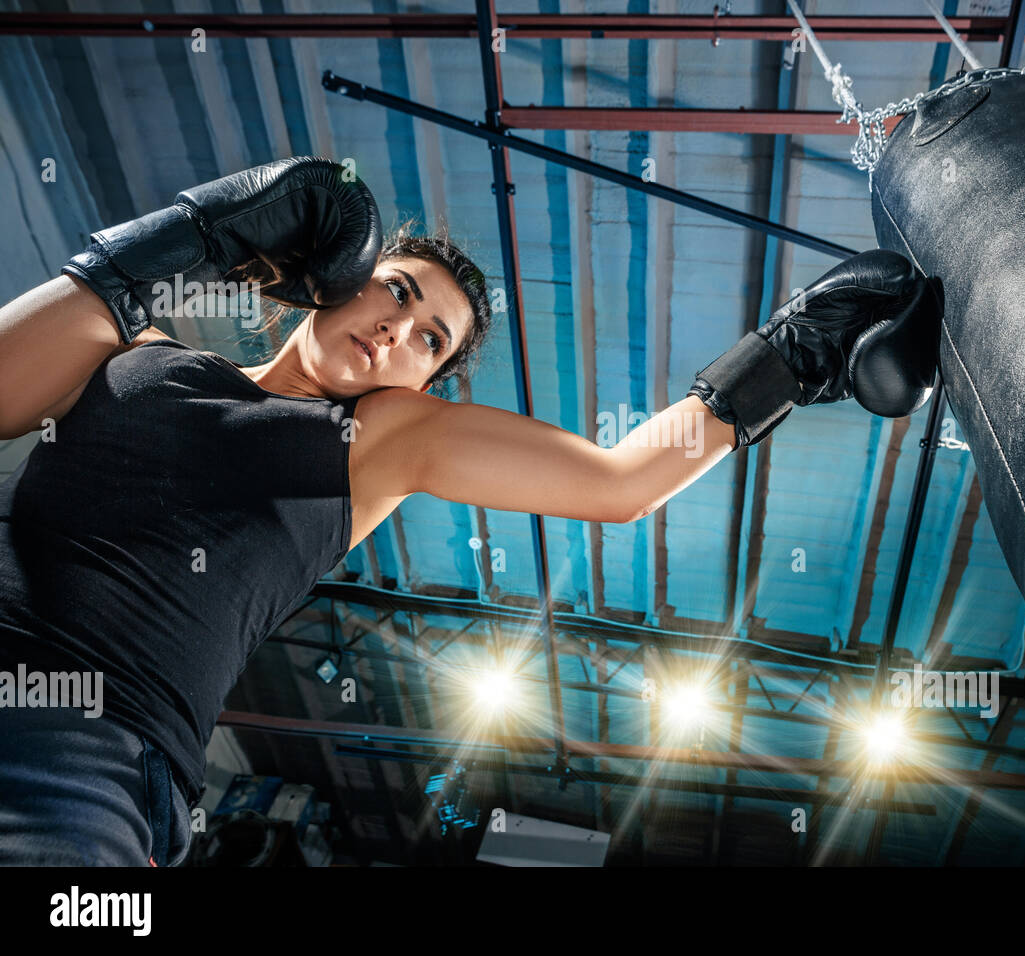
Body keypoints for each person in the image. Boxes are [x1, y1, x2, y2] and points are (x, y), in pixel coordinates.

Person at [0, 157, 942, 866]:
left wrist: (790, 355)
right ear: (338, 274)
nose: (394, 331)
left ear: (426, 381)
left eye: (429, 341)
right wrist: (206, 232)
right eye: (396, 292)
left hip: (85, 759)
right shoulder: (140, 350)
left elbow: (619, 484)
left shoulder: (380, 440)